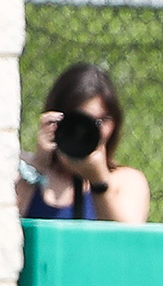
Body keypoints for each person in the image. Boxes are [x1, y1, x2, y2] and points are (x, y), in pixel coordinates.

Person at [15, 62, 150, 223]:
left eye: (101, 121)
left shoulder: (127, 181)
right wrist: (36, 168)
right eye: (79, 121)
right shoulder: (22, 171)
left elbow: (125, 242)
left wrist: (99, 182)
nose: (89, 131)